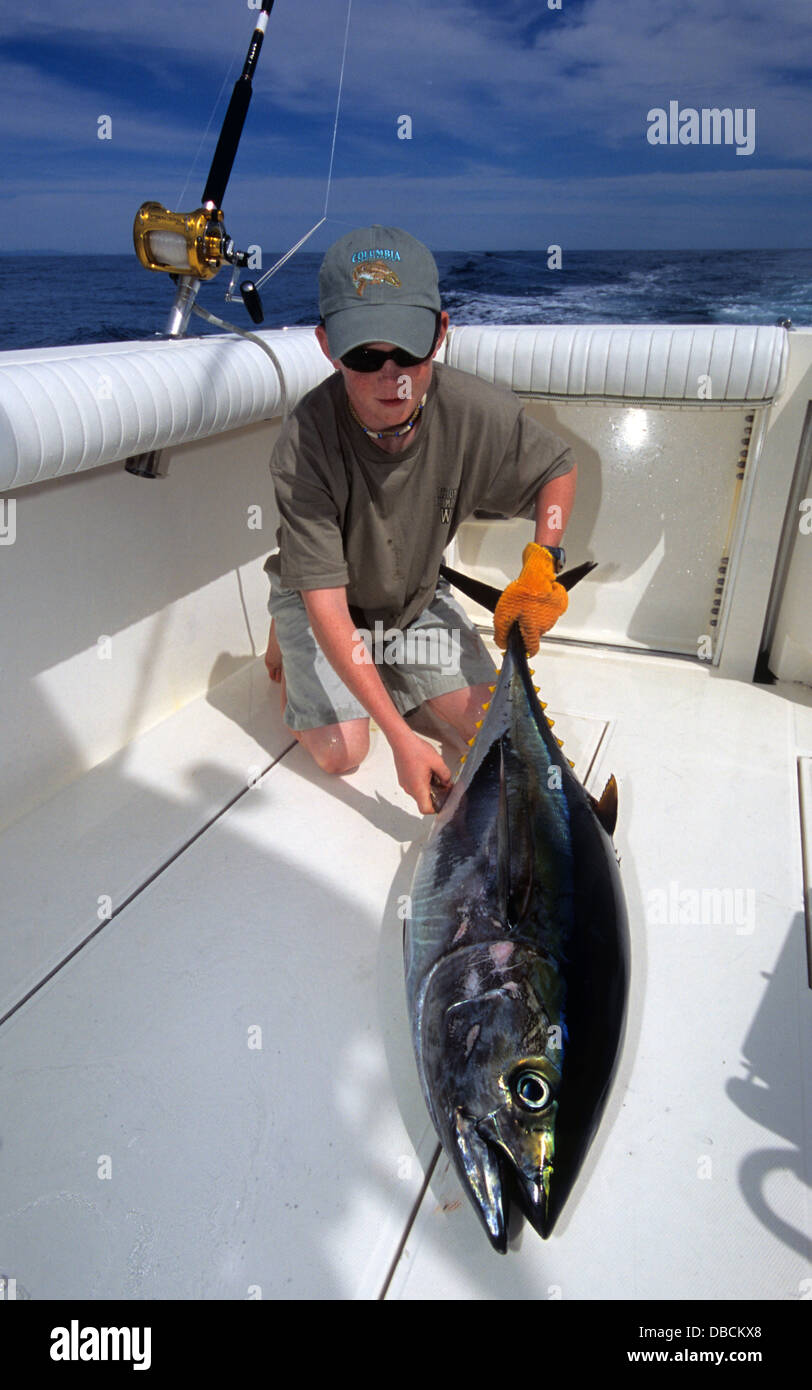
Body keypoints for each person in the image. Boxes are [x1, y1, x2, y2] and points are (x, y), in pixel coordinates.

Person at [263, 225, 577, 813]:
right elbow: (329, 607)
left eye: (408, 350)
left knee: (491, 738)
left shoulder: (476, 410)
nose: (392, 376)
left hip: (411, 602)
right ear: (327, 346)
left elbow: (557, 470)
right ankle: (287, 621)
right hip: (325, 600)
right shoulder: (304, 443)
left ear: (440, 333)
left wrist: (543, 561)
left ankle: (382, 666)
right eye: (364, 356)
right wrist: (401, 739)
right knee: (342, 750)